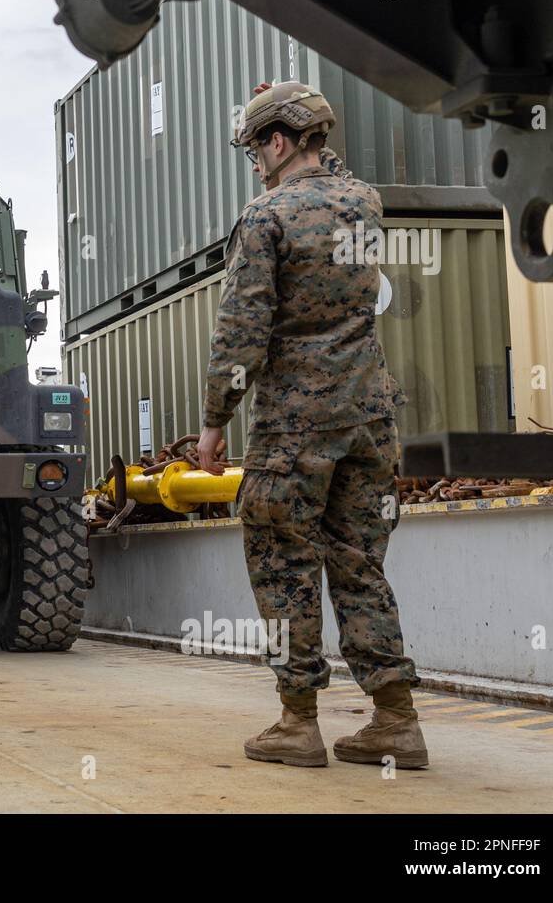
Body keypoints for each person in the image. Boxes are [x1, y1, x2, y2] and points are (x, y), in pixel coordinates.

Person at [196, 81, 427, 769]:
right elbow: (337, 178)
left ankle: (298, 723)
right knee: (360, 567)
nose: (256, 163)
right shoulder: (366, 204)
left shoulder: (266, 216)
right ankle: (396, 720)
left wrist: (213, 424)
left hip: (297, 427)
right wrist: (298, 101)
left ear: (277, 142)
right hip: (370, 421)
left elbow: (242, 333)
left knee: (283, 565)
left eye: (256, 148)